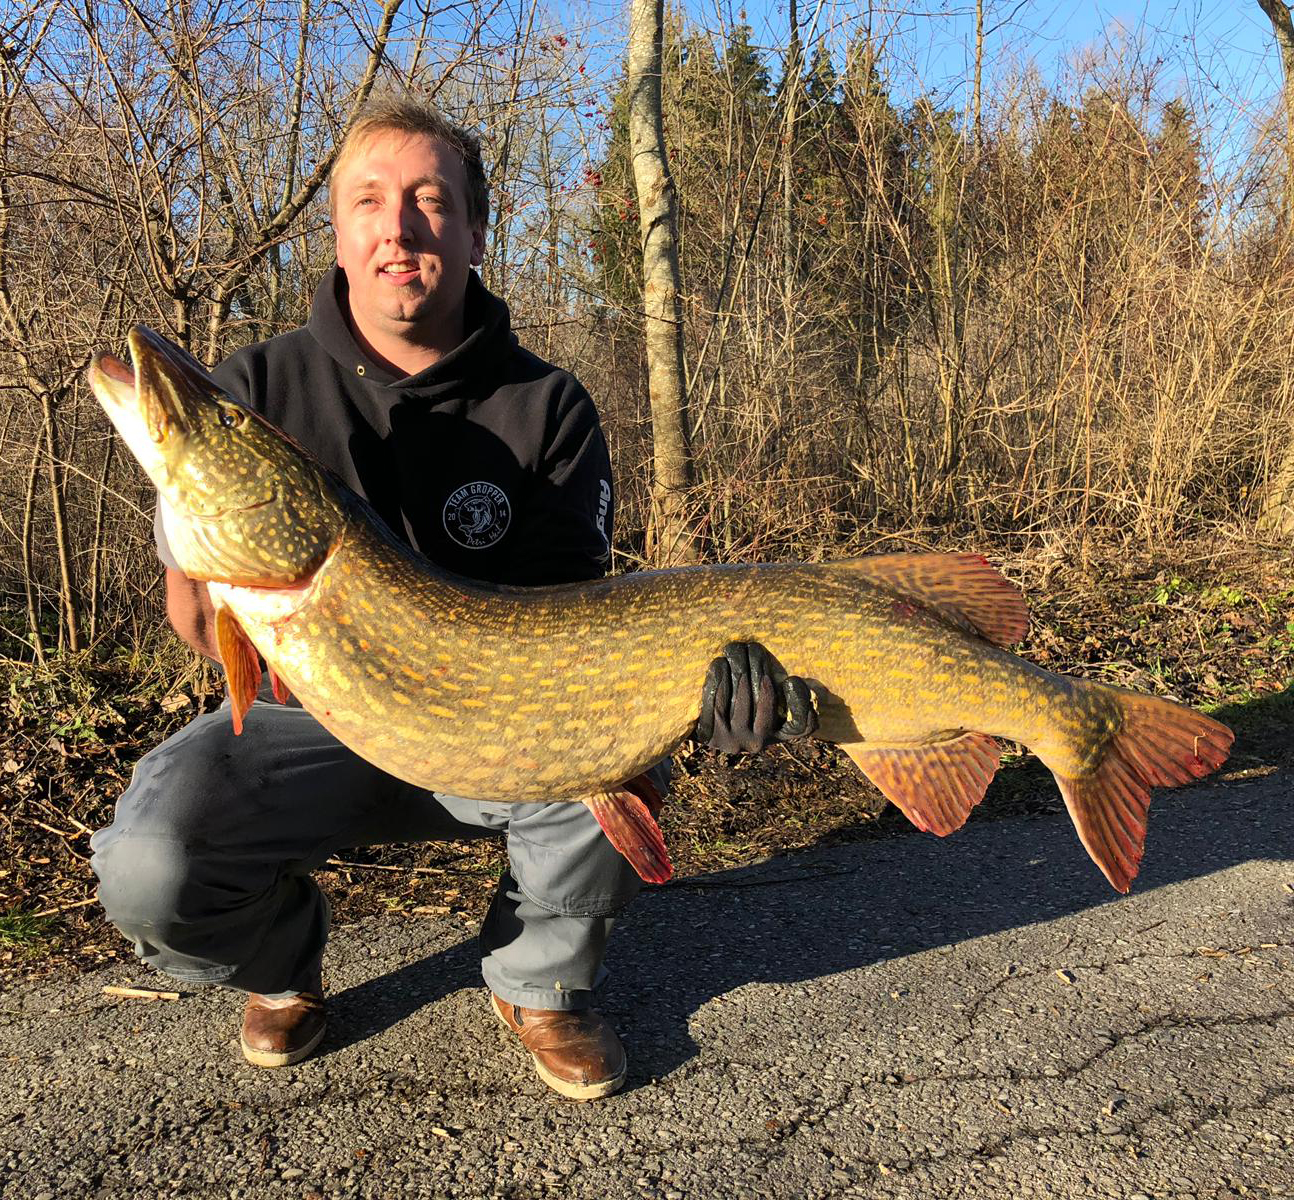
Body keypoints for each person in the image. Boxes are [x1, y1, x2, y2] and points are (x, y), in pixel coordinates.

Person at [90, 97, 815, 1102]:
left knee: (615, 751)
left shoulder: (547, 403)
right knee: (145, 860)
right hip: (305, 723)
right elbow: (202, 636)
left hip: (496, 719)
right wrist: (189, 535)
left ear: (476, 230)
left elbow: (578, 630)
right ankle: (281, 964)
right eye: (370, 202)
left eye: (431, 202)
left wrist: (709, 699)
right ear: (339, 231)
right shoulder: (255, 381)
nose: (398, 227)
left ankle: (537, 983)